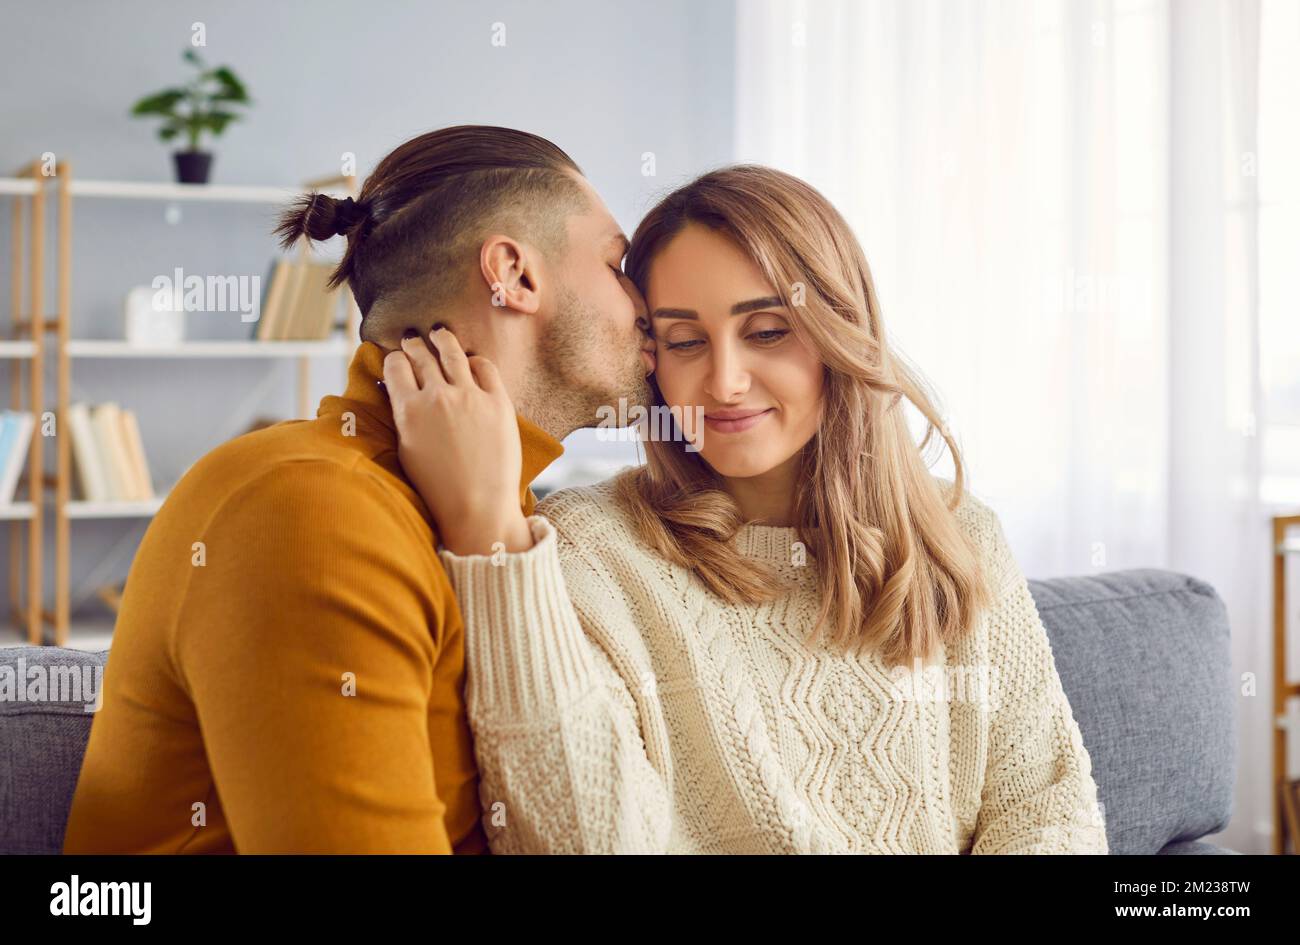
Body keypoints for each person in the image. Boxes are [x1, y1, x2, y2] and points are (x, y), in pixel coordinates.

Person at [384, 164, 1110, 854]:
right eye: (684, 340)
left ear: (839, 331)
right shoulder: (590, 551)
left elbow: (1049, 809)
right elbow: (583, 836)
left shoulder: (961, 538)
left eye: (766, 331)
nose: (724, 382)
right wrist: (491, 544)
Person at [62, 125, 652, 853]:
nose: (643, 302)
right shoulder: (312, 510)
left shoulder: (502, 519)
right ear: (515, 274)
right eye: (616, 263)